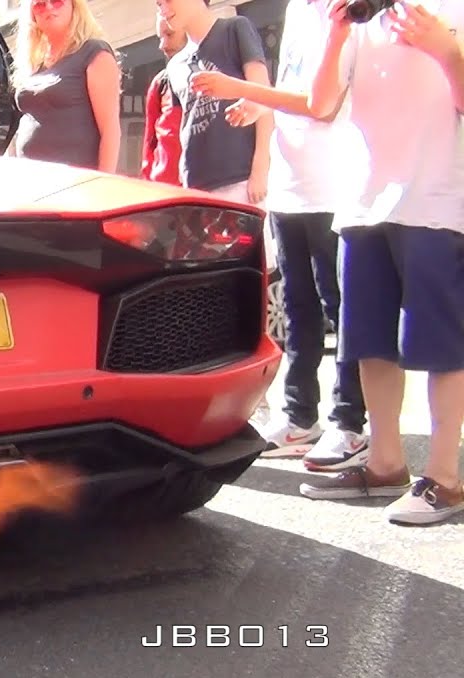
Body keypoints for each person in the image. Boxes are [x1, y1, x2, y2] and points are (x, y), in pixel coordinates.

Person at [295, 0, 464, 525]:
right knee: (367, 339)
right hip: (365, 200)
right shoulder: (358, 18)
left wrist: (447, 50)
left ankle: (446, 478)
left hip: (437, 199)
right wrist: (334, 35)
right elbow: (321, 104)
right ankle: (385, 461)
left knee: (439, 343)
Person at [188, 0, 370, 472]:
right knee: (296, 308)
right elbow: (294, 88)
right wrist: (255, 104)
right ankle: (299, 417)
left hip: (332, 187)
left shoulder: (347, 13)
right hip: (292, 189)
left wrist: (240, 89)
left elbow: (324, 105)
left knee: (340, 308)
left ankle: (349, 423)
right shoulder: (297, 12)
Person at [159, 0, 273, 204]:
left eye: (168, 0)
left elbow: (264, 97)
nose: (164, 9)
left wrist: (260, 168)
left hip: (240, 179)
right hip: (194, 185)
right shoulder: (174, 65)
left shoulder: (234, 29)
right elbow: (181, 125)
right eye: (159, 4)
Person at [10, 0, 121, 172]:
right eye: (39, 5)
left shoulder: (94, 53)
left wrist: (104, 186)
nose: (48, 8)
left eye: (56, 1)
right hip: (29, 181)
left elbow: (110, 131)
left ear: (74, 5)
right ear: (32, 15)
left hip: (75, 183)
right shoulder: (35, 64)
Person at [140, 12, 188, 185]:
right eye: (160, 37)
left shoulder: (214, 74)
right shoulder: (161, 82)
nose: (162, 45)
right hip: (165, 189)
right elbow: (149, 143)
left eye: (169, 34)